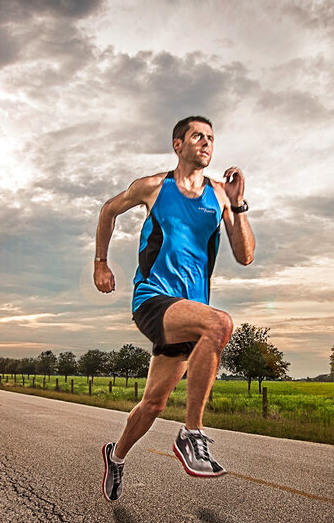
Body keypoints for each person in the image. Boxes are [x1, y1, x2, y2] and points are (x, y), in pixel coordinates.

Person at [94, 115, 255, 501]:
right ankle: (192, 434)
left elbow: (245, 255)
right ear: (178, 144)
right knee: (219, 326)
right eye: (198, 136)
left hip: (189, 311)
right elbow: (108, 210)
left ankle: (115, 457)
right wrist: (101, 262)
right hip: (152, 298)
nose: (206, 143)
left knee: (153, 403)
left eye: (211, 138)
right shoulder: (153, 187)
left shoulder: (219, 196)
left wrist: (239, 204)